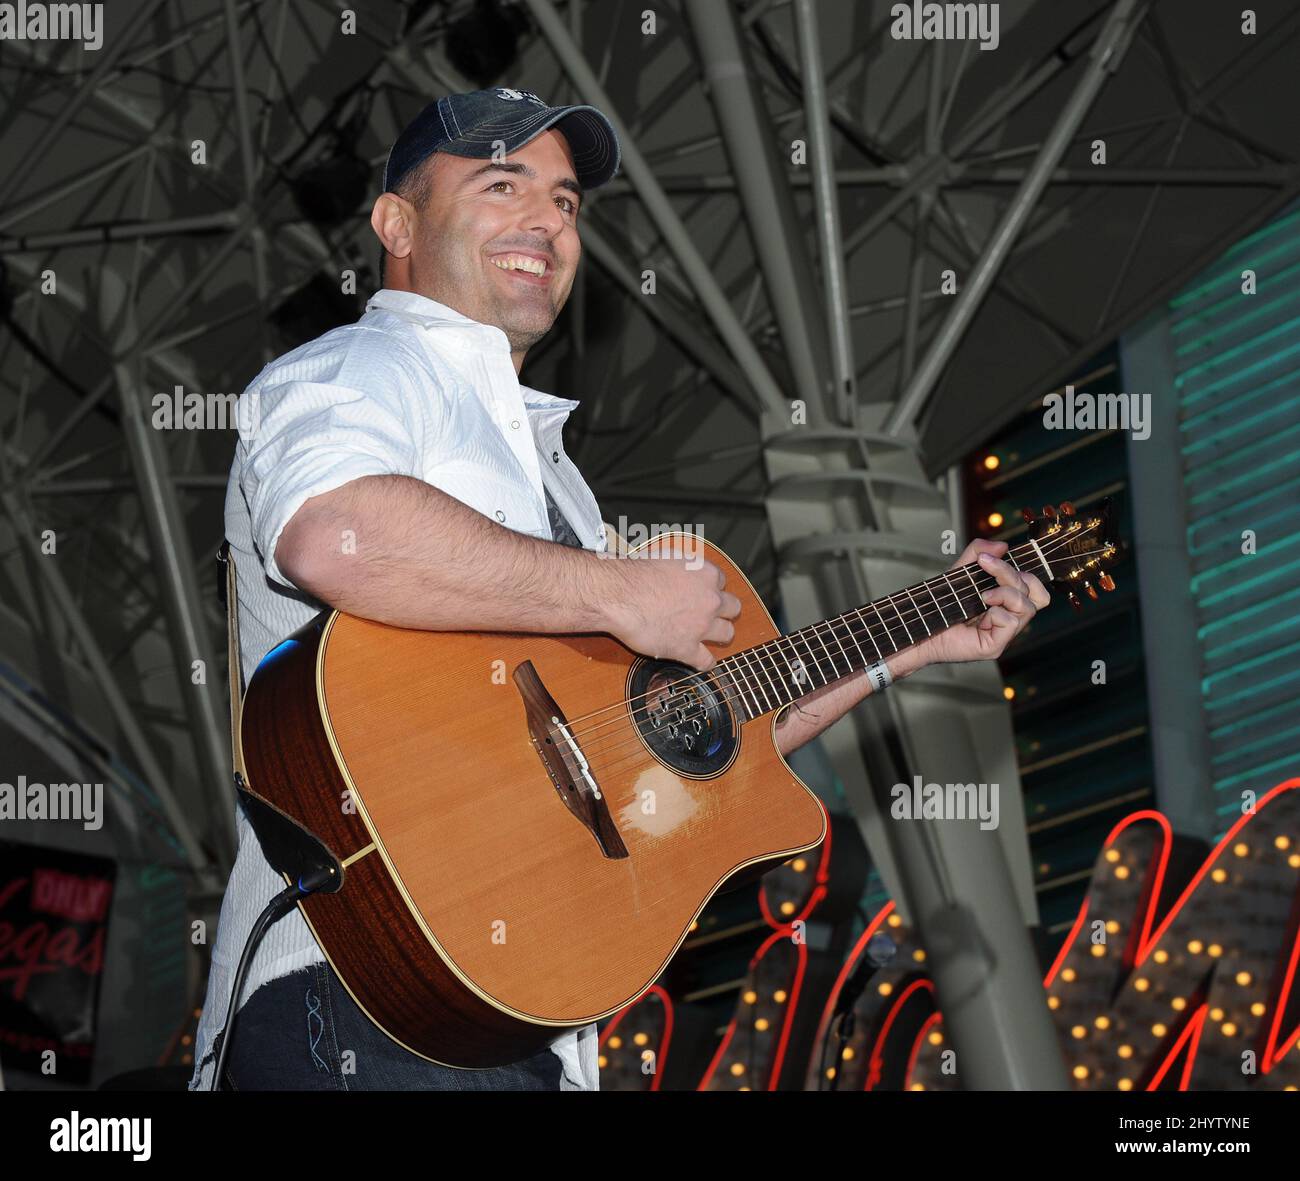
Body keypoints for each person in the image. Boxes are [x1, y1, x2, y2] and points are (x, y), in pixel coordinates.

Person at [188, 85, 1048, 1092]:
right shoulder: (356, 369)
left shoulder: (558, 483)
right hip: (364, 991)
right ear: (395, 222)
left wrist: (912, 639)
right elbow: (336, 533)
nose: (547, 219)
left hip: (523, 1012)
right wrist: (615, 592)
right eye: (502, 184)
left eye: (565, 201)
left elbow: (697, 741)